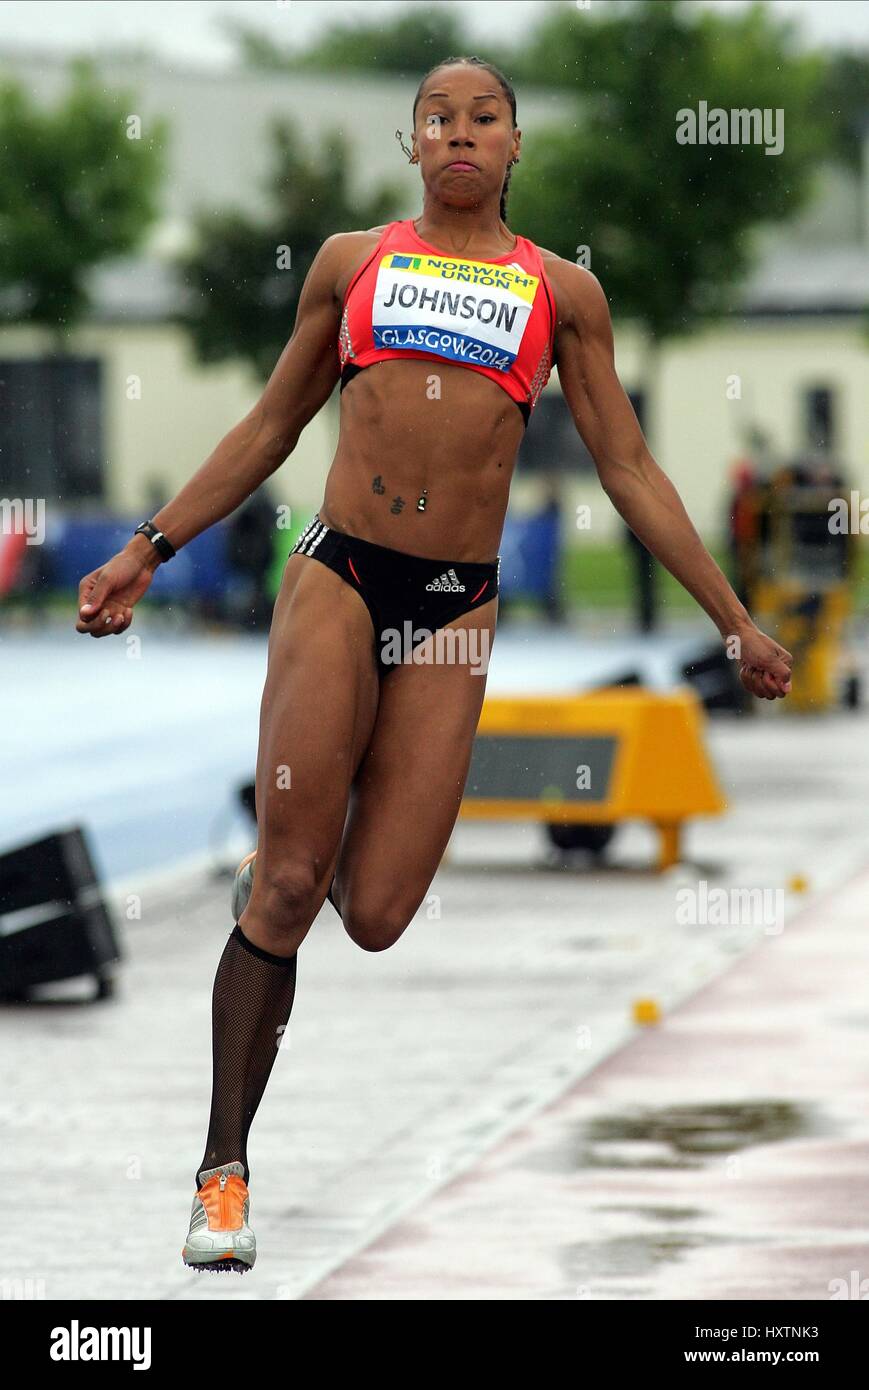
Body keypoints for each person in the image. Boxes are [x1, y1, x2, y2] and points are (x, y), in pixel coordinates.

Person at [74, 55, 793, 1274]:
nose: (460, 134)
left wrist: (731, 615)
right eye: (436, 119)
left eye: (485, 119)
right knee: (293, 889)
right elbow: (269, 424)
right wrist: (152, 545)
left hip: (454, 606)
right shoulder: (354, 264)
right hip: (340, 574)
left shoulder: (559, 294)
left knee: (377, 914)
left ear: (517, 148)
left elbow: (627, 469)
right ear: (412, 146)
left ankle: (304, 815)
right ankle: (224, 1170)